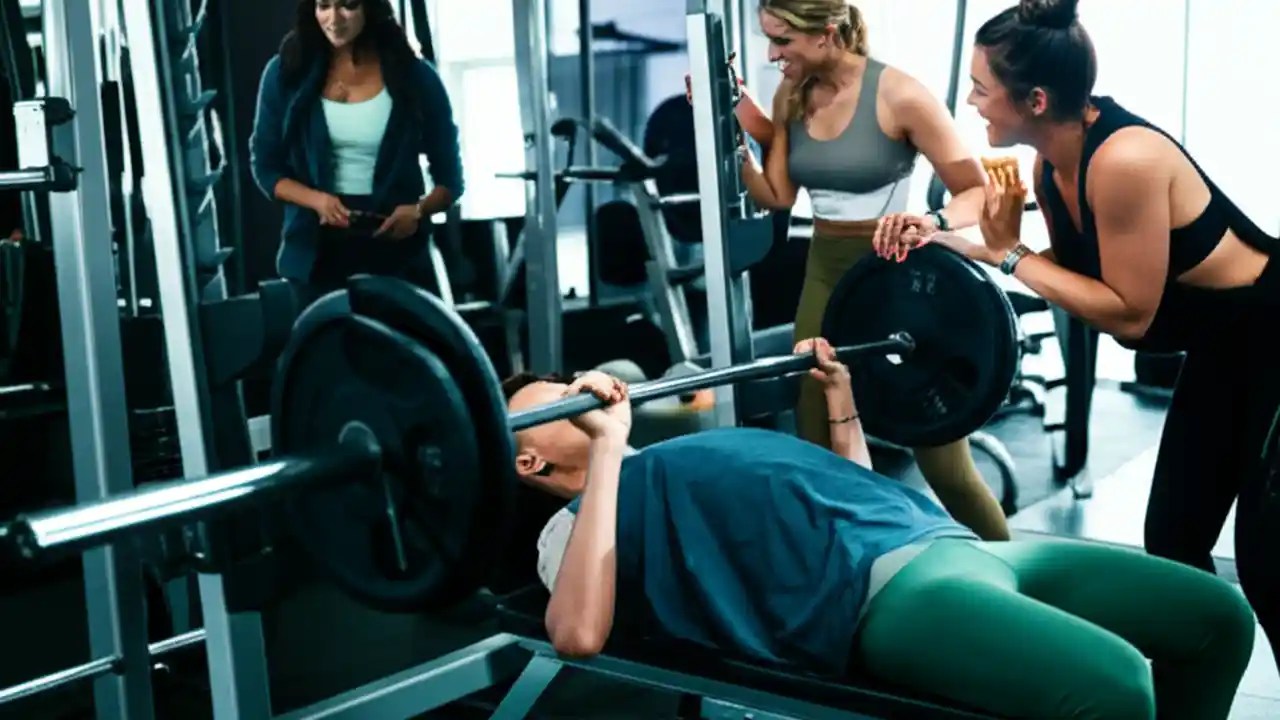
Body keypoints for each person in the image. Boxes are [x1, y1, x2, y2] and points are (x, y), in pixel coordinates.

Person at [503, 340, 1255, 719]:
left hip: (954, 545)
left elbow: (854, 491)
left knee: (1218, 618)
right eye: (560, 401)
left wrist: (841, 397)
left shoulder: (681, 450)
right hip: (892, 597)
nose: (584, 392)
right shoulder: (578, 522)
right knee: (1118, 688)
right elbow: (576, 634)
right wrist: (606, 449)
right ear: (530, 460)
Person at [910, 0, 1280, 671]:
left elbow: (1127, 314)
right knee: (1172, 539)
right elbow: (1073, 279)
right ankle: (1189, 697)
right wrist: (951, 236)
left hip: (1276, 334)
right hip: (1227, 347)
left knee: (1271, 560)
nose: (972, 102)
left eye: (982, 89)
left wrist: (1008, 255)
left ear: (1036, 98)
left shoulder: (1124, 160)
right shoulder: (1054, 165)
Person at [688, 0, 1008, 541]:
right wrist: (727, 123)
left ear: (827, 32)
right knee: (818, 442)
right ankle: (846, 573)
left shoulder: (901, 95)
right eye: (768, 40)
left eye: (782, 40)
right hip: (825, 275)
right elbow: (777, 193)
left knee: (943, 463)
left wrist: (929, 220)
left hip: (896, 280)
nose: (773, 54)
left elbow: (979, 191)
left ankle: (1015, 566)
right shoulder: (791, 93)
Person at [249, 0, 464, 304]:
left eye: (348, 6)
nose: (334, 19)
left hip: (396, 256)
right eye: (323, 6)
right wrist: (318, 201)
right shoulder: (285, 74)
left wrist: (418, 211)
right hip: (314, 257)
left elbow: (451, 181)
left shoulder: (416, 77)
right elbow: (266, 168)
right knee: (323, 348)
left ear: (370, 8)